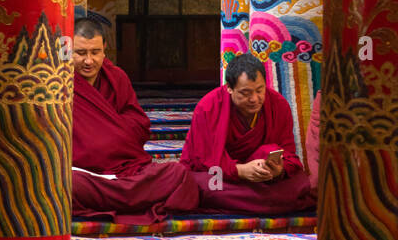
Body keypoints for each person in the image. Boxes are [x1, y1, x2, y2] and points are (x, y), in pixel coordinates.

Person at [71, 19, 200, 222]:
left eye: (95, 52)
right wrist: (108, 137)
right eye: (80, 53)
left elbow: (139, 125)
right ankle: (132, 201)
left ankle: (114, 200)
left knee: (177, 172)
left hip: (126, 170)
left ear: (105, 49)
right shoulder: (59, 84)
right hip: (85, 174)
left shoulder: (117, 77)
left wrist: (107, 138)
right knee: (65, 184)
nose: (88, 61)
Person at [179, 55, 314, 213]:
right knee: (200, 184)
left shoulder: (278, 105)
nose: (254, 99)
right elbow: (203, 160)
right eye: (245, 93)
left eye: (259, 90)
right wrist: (241, 171)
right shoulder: (208, 107)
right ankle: (267, 202)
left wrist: (279, 170)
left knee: (298, 181)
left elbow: (288, 153)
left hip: (263, 179)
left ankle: (245, 201)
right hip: (222, 177)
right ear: (229, 87)